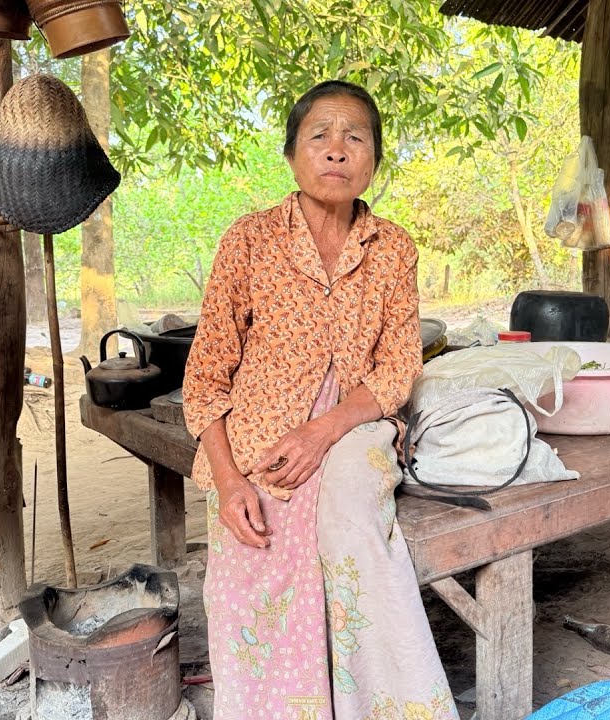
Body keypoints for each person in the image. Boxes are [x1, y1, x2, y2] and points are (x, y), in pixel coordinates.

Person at [183, 81, 458, 720]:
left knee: (354, 536)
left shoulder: (394, 249)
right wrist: (228, 482)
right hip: (257, 442)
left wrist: (322, 431)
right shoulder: (248, 240)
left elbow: (398, 365)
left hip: (354, 426)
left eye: (354, 137)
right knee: (254, 579)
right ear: (292, 154)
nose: (337, 150)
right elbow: (205, 378)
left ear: (373, 162)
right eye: (319, 136)